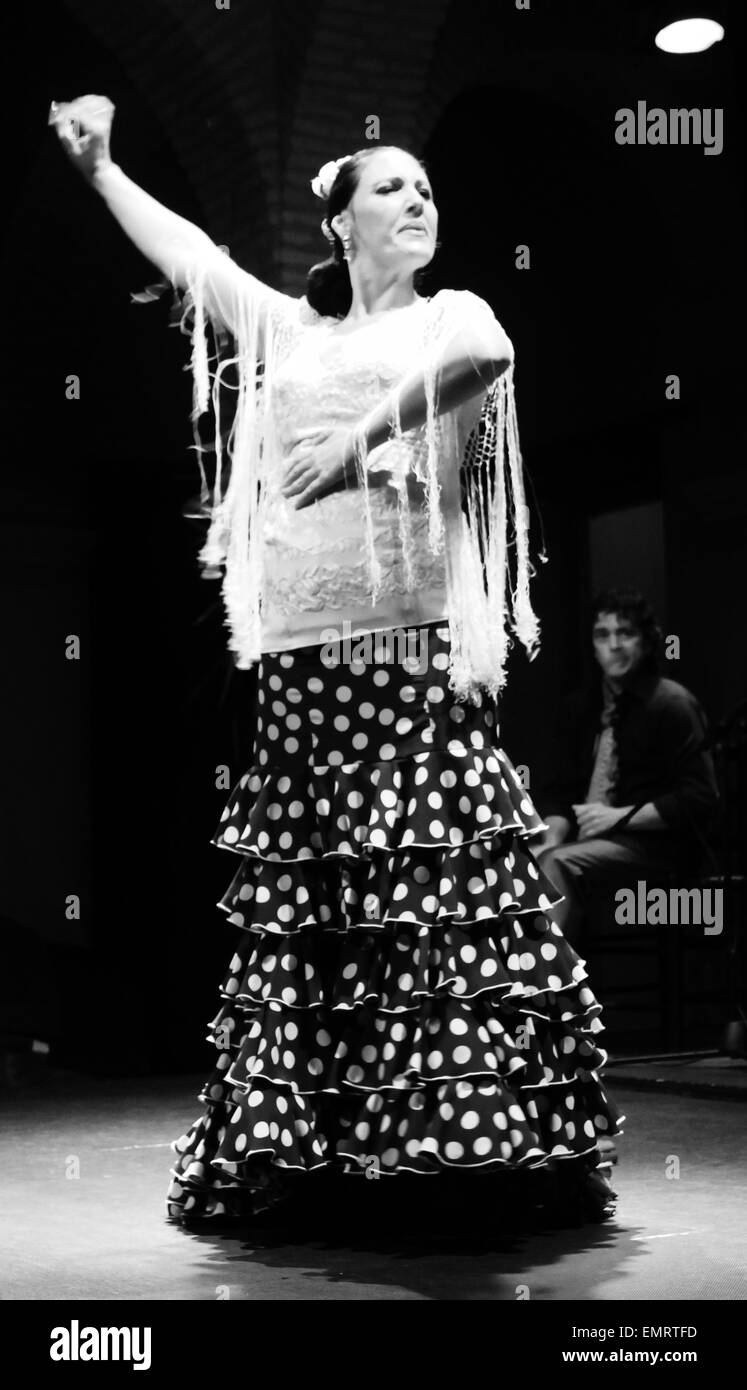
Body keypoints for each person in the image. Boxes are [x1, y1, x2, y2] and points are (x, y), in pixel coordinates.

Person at [51, 93, 621, 1228]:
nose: (417, 199)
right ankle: (326, 1162)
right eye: (391, 187)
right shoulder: (294, 333)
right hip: (306, 683)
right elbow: (196, 264)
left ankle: (459, 1162)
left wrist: (357, 439)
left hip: (407, 669)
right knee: (324, 923)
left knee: (421, 916)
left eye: (426, 187)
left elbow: (484, 352)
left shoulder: (445, 311)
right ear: (342, 225)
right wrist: (102, 168)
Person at [534, 589, 719, 950]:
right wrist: (551, 836)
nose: (614, 645)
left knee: (558, 864)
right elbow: (559, 790)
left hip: (657, 849)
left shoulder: (671, 703)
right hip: (591, 843)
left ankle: (545, 989)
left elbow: (700, 797)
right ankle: (511, 986)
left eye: (626, 634)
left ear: (647, 642)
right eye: (602, 635)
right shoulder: (581, 707)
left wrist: (618, 817)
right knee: (534, 859)